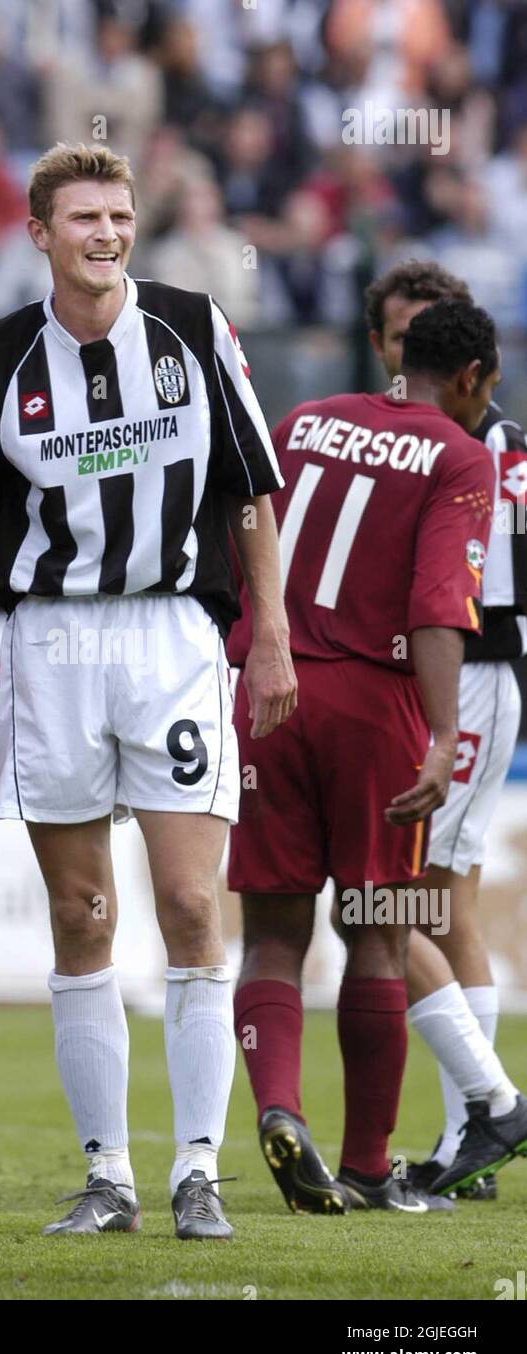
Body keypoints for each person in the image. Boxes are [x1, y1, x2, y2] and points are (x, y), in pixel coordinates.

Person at [0, 141, 296, 1239]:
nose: (107, 234)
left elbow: (249, 491)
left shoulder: (190, 325)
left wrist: (268, 631)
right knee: (82, 915)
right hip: (47, 644)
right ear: (38, 233)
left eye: (120, 215)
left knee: (188, 904)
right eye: (84, 216)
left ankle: (197, 1172)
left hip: (173, 631)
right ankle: (109, 1178)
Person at [226, 298, 500, 1215]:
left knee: (271, 931)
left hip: (269, 690)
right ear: (469, 380)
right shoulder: (463, 457)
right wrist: (445, 730)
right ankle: (370, 1168)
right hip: (372, 708)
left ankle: (278, 1108)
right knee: (380, 926)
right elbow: (436, 605)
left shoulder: (307, 420)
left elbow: (242, 518)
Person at [359, 261, 527, 1199]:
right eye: (400, 332)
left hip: (471, 674)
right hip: (425, 681)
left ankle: (480, 1120)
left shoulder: (495, 450)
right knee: (410, 899)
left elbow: (473, 595)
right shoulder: (395, 435)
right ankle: (473, 1122)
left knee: (421, 899)